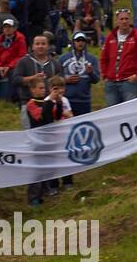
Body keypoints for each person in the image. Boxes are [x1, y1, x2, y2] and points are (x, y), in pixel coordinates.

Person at [23, 75, 71, 208]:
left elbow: (56, 115)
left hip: (48, 141)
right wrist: (51, 100)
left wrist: (60, 102)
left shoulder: (46, 102)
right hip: (37, 141)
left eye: (44, 88)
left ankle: (44, 192)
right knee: (37, 170)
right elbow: (40, 116)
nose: (43, 90)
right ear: (32, 90)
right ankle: (33, 198)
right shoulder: (31, 104)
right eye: (40, 88)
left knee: (47, 167)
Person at [100, 7, 137, 105]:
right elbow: (104, 58)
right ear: (117, 21)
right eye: (121, 19)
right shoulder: (110, 37)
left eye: (126, 19)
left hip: (129, 82)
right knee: (112, 114)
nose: (124, 21)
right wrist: (105, 75)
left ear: (130, 20)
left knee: (130, 112)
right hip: (111, 83)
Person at [11, 32, 62, 105]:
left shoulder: (55, 63)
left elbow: (60, 82)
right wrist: (32, 78)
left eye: (43, 44)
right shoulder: (24, 61)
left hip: (50, 103)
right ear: (32, 47)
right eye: (37, 44)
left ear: (48, 46)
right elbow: (15, 80)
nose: (40, 46)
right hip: (28, 103)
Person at [59, 31, 100, 115]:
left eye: (83, 40)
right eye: (77, 40)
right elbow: (56, 78)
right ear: (73, 42)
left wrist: (91, 72)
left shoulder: (92, 59)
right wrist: (65, 80)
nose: (80, 42)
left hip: (84, 100)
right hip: (66, 99)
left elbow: (96, 80)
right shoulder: (63, 58)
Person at [0, 16, 27, 102]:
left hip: (13, 65)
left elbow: (21, 55)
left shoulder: (20, 38)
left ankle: (11, 99)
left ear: (14, 28)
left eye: (9, 27)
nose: (7, 29)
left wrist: (9, 66)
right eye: (5, 27)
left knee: (14, 74)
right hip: (0, 65)